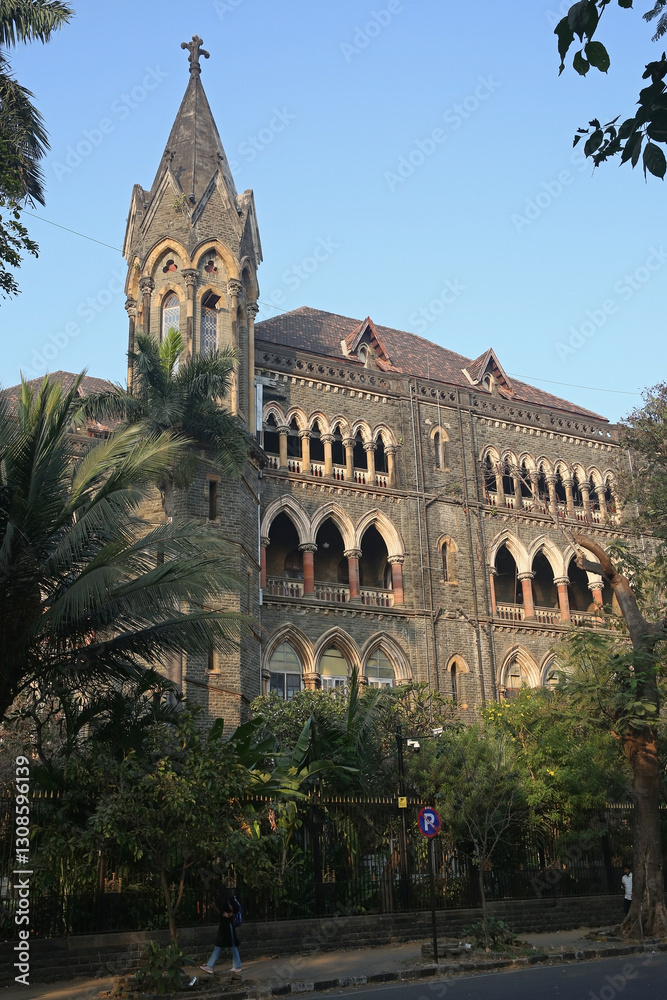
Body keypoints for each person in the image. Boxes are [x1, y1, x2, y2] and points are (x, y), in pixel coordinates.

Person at [200, 888, 242, 975]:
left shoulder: (229, 898)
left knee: (222, 945)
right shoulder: (222, 900)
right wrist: (215, 907)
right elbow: (221, 913)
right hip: (224, 925)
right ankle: (236, 965)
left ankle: (210, 966)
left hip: (228, 924)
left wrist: (229, 915)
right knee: (229, 945)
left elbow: (237, 908)